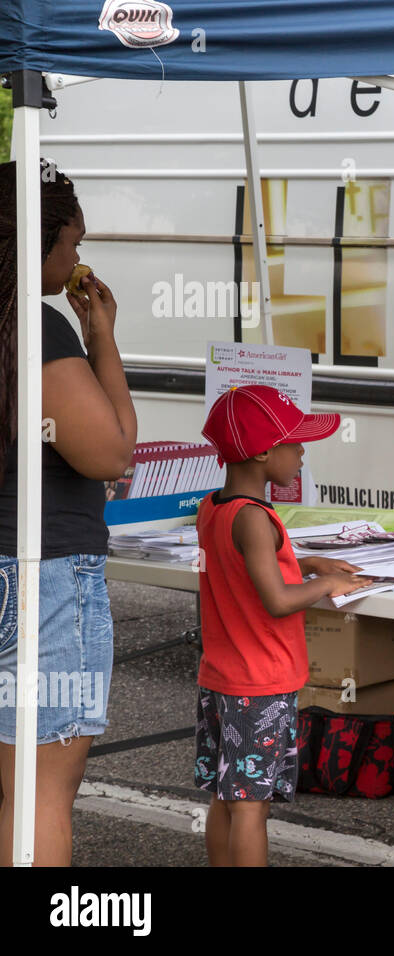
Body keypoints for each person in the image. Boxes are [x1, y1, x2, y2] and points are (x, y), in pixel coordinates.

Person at [0, 161, 137, 866]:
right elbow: (113, 453)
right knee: (38, 792)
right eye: (71, 244)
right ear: (34, 244)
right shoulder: (38, 325)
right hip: (41, 574)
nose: (78, 258)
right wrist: (102, 338)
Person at [195, 384, 366, 866]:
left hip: (222, 679)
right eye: (294, 442)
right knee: (252, 808)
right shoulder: (256, 519)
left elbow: (247, 570)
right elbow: (276, 600)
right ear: (264, 451)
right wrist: (328, 583)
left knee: (225, 797)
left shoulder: (214, 508)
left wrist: (304, 561)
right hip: (260, 685)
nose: (302, 452)